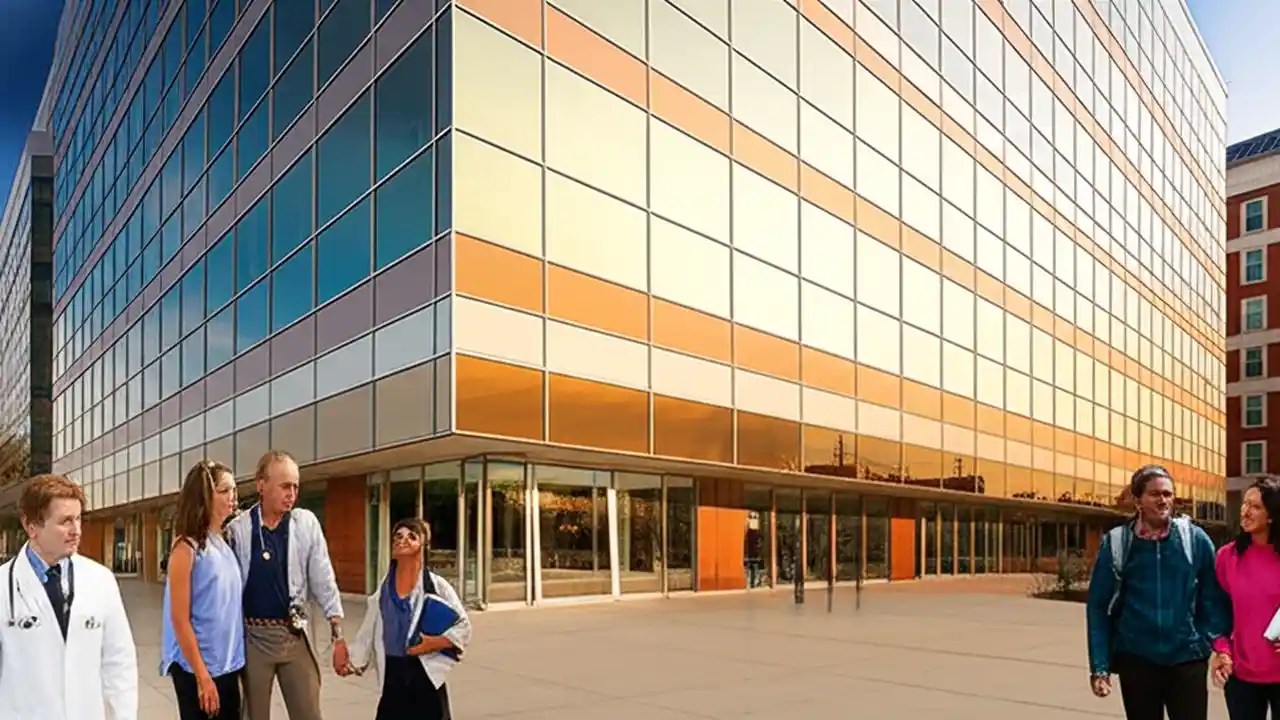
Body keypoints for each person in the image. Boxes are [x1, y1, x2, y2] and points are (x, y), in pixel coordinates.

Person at [1085, 463, 1229, 720]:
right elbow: (1098, 607)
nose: (1163, 500)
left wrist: (1210, 642)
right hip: (1137, 660)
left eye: (1168, 494)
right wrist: (1100, 667)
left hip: (1187, 658)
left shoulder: (1194, 539)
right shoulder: (1117, 543)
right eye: (1154, 494)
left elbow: (1213, 596)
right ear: (1138, 499)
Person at [0, 474, 138, 719]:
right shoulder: (3, 587)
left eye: (78, 519)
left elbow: (119, 663)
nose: (76, 531)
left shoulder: (100, 580)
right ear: (31, 526)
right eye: (65, 521)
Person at [225, 450, 346, 720]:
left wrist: (337, 633)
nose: (291, 493)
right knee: (253, 714)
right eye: (284, 486)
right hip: (254, 638)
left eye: (295, 486)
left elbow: (323, 577)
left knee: (308, 711)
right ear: (261, 485)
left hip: (294, 635)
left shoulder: (306, 523)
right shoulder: (238, 530)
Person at [348, 518, 470, 720]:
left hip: (425, 674)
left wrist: (434, 643)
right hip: (393, 674)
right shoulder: (384, 590)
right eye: (398, 536)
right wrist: (355, 661)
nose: (402, 540)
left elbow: (464, 627)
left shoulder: (436, 586)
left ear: (423, 546)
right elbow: (369, 628)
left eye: (411, 536)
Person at [159, 460, 245, 719]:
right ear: (205, 495)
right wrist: (202, 676)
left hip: (228, 665)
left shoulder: (225, 542)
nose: (233, 498)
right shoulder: (186, 548)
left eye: (234, 490)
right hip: (197, 669)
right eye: (225, 490)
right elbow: (179, 619)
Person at [1211, 476, 1280, 718]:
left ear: (1272, 515)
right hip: (1242, 675)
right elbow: (1217, 611)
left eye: (1256, 506)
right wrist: (1221, 650)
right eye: (1245, 504)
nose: (1245, 511)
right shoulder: (1226, 557)